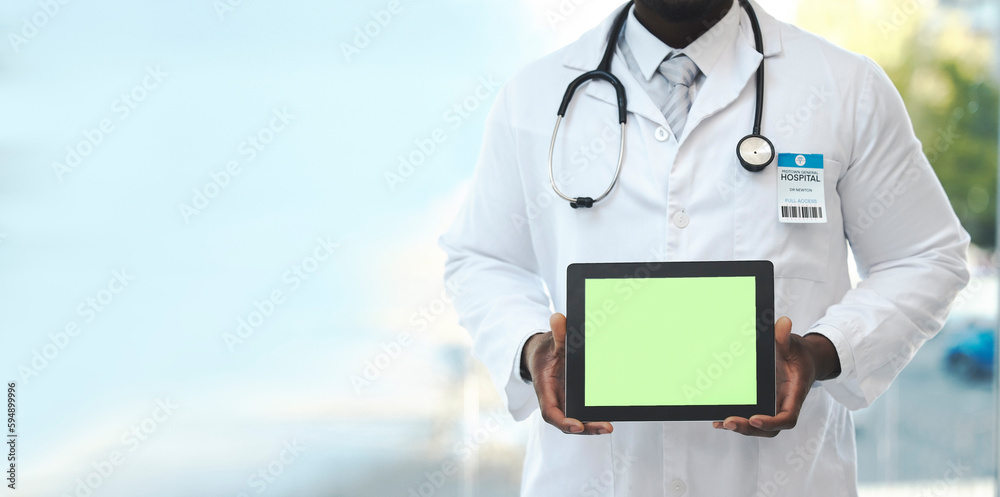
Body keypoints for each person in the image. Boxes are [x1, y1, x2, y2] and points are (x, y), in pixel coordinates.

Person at [438, 0, 971, 495]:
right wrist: (531, 349)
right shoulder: (534, 96)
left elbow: (925, 256)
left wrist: (827, 350)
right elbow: (483, 258)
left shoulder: (845, 85)